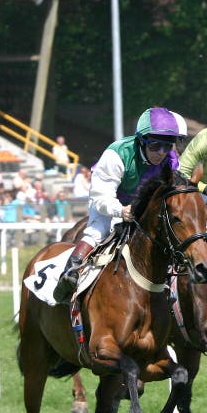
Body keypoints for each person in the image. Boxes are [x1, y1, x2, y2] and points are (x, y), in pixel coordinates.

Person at [52, 107, 187, 303]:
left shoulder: (171, 160)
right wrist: (121, 210)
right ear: (141, 140)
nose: (161, 152)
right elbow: (100, 197)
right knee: (98, 230)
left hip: (142, 206)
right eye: (155, 145)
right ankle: (69, 274)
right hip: (111, 201)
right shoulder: (117, 154)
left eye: (167, 147)